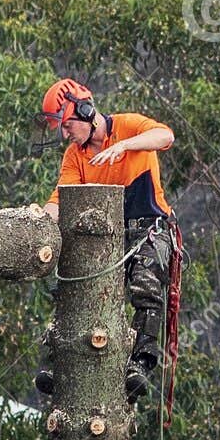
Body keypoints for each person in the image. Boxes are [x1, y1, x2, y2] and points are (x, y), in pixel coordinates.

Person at [33, 78, 177, 403]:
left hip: (148, 227)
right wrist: (38, 216)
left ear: (85, 111)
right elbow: (61, 197)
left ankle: (140, 363)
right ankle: (62, 367)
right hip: (109, 236)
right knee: (77, 284)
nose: (65, 133)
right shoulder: (74, 156)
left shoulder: (128, 126)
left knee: (145, 285)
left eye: (67, 124)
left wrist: (124, 146)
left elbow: (165, 135)